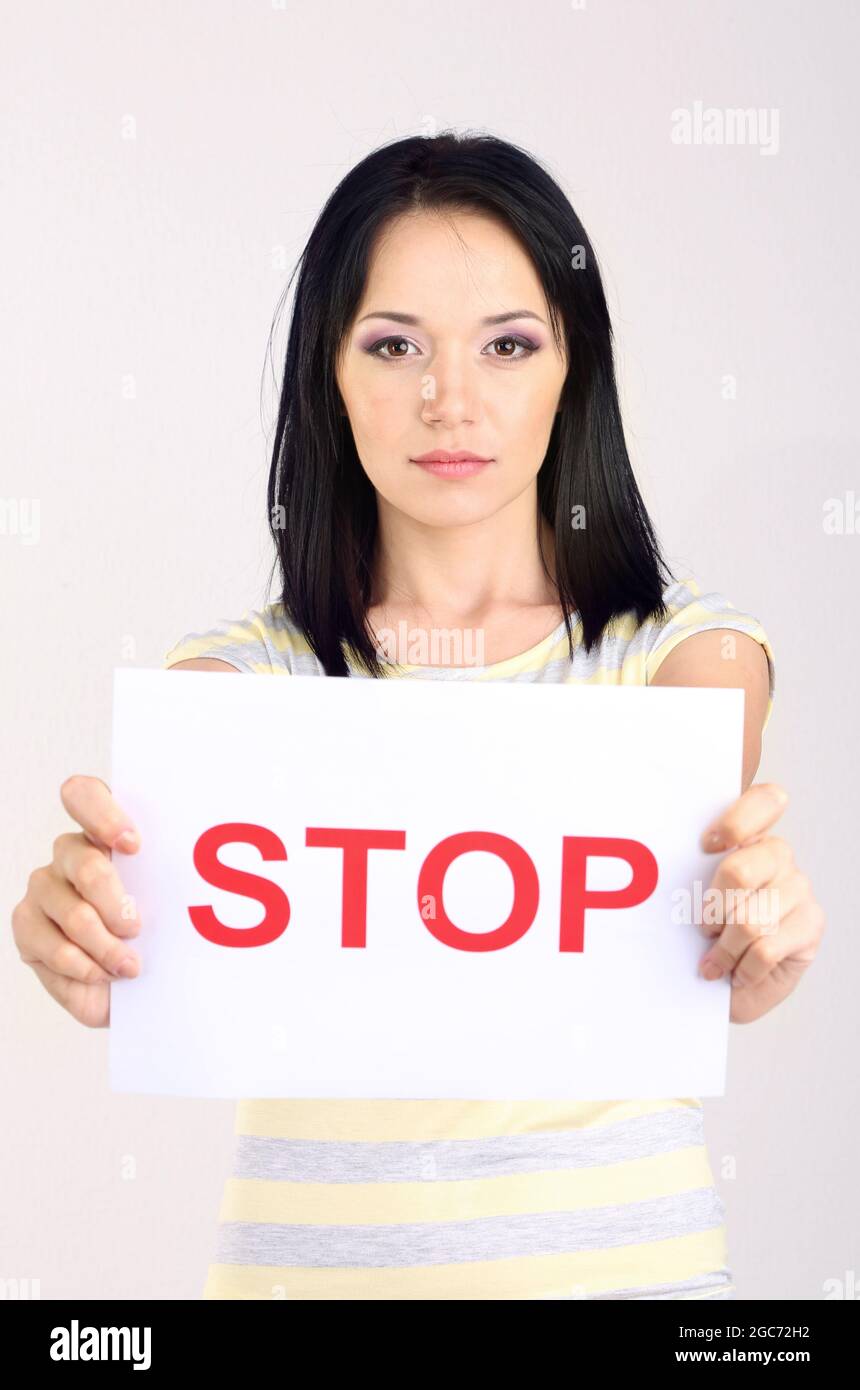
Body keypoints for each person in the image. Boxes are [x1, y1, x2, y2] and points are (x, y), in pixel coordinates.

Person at [12, 132, 825, 1300]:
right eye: (394, 345)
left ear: (571, 369)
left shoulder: (685, 659)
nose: (450, 399)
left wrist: (753, 932)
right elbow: (147, 936)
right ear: (331, 373)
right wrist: (86, 933)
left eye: (507, 344)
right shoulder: (233, 686)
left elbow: (700, 921)